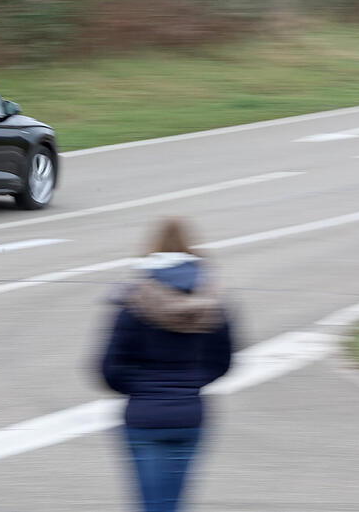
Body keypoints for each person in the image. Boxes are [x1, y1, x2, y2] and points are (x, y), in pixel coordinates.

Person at [100, 217, 233, 512]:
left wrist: (142, 389)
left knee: (152, 506)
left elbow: (109, 368)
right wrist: (190, 383)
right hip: (189, 416)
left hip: (143, 418)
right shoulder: (211, 300)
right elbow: (223, 360)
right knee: (171, 505)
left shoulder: (134, 301)